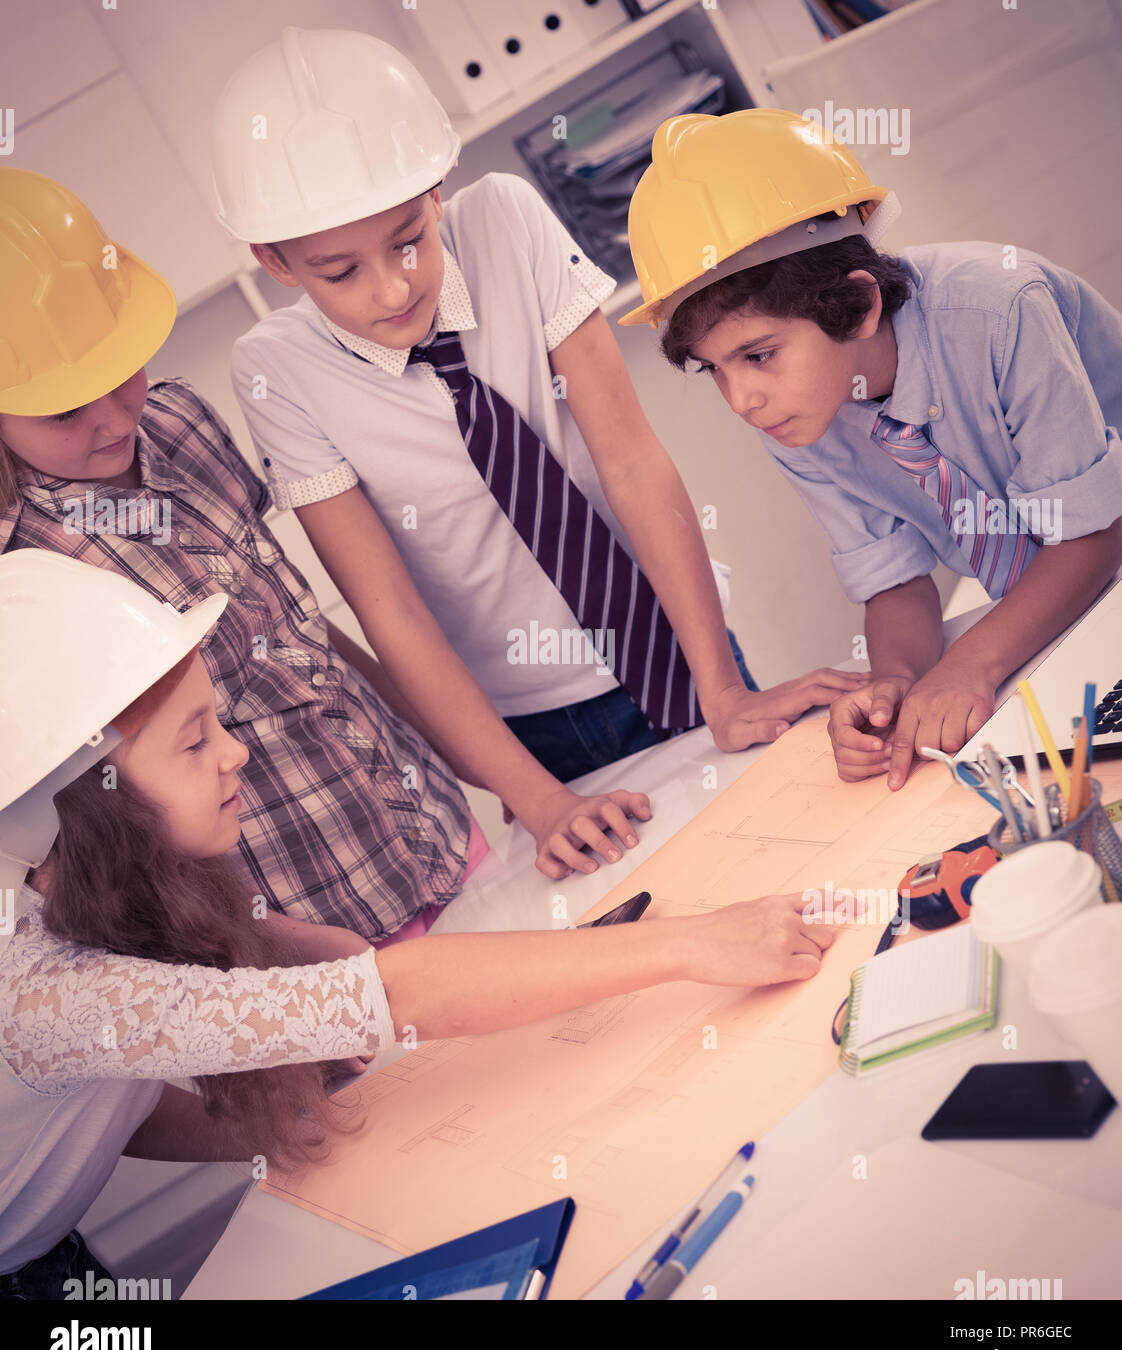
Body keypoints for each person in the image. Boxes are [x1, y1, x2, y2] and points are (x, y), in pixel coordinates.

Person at [0, 549, 837, 1298]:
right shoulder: (46, 992)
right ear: (89, 806)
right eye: (193, 744)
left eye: (217, 722)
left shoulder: (77, 890)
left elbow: (118, 1102)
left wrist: (285, 1119)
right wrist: (694, 942)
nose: (236, 754)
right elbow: (394, 988)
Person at [0, 167, 657, 948]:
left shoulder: (178, 419)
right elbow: (90, 840)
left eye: (121, 374)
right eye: (66, 408)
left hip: (428, 835)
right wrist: (267, 947)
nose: (113, 420)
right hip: (302, 920)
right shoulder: (23, 578)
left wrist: (506, 777)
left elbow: (305, 637)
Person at [215, 28, 865, 787]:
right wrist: (532, 798)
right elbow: (387, 607)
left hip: (680, 645)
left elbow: (630, 459)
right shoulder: (276, 372)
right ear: (276, 262)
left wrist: (720, 688)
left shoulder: (504, 218)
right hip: (522, 731)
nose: (393, 288)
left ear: (436, 190)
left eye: (408, 241)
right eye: (339, 272)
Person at [623, 109, 1122, 788]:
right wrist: (896, 681)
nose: (740, 399)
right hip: (1064, 621)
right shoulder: (797, 412)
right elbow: (893, 580)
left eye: (759, 355)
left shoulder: (1000, 310)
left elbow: (1094, 535)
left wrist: (967, 666)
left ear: (857, 306)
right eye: (715, 369)